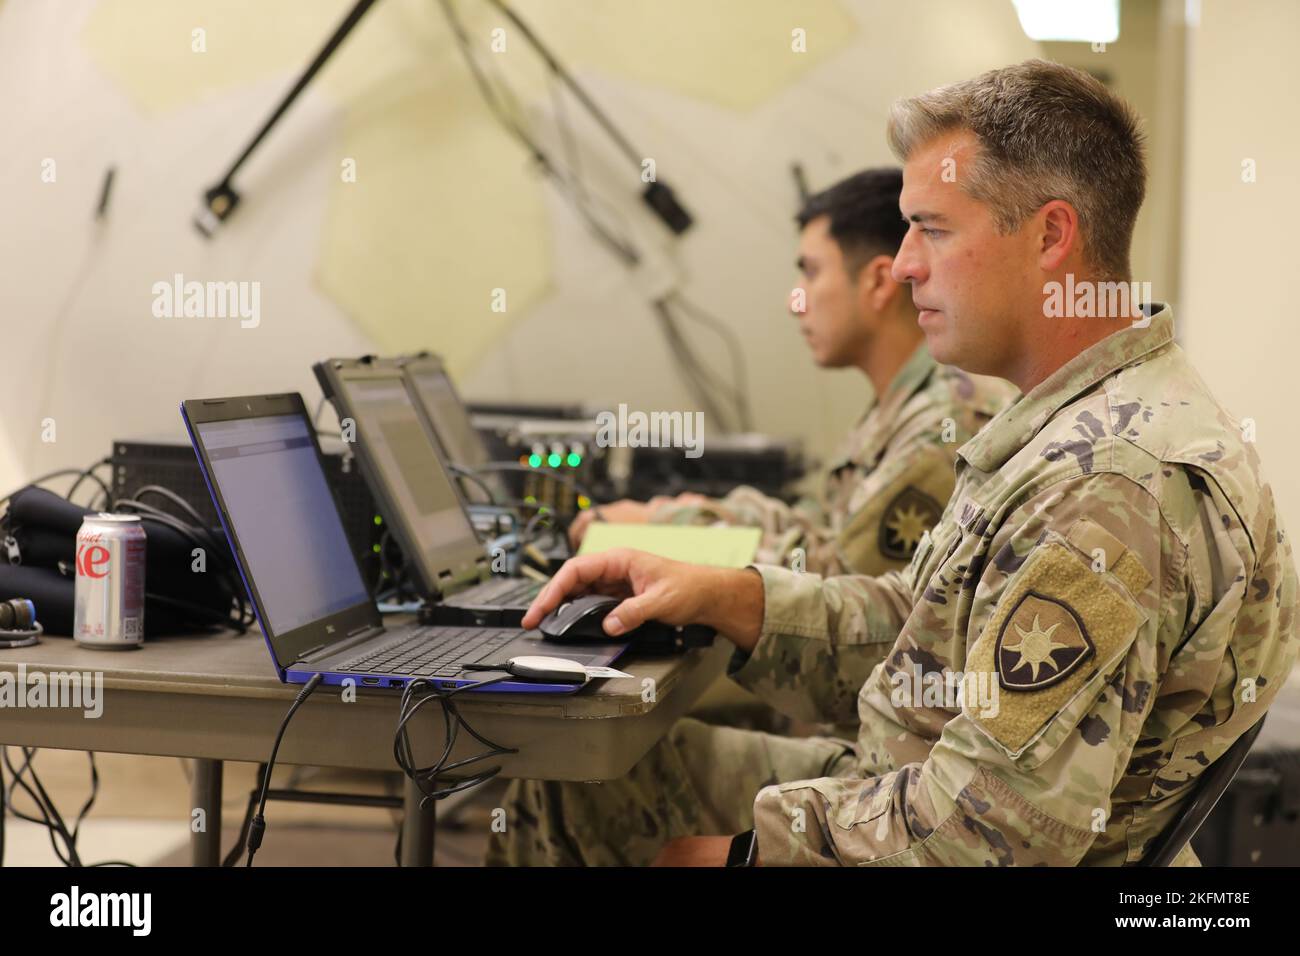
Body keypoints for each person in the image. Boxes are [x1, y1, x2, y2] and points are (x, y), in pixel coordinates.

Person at [488, 59, 1297, 867]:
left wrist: (739, 858)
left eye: (933, 229)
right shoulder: (1075, 420)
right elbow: (928, 644)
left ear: (1051, 236)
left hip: (940, 823)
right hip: (904, 783)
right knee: (577, 774)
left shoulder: (1107, 485)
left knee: (594, 784)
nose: (905, 263)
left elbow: (988, 837)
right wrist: (731, 596)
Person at [570, 169, 1015, 583]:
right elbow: (814, 525)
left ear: (878, 283)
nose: (795, 302)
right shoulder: (899, 409)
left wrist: (656, 537)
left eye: (812, 272)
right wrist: (665, 519)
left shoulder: (942, 422)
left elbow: (837, 582)